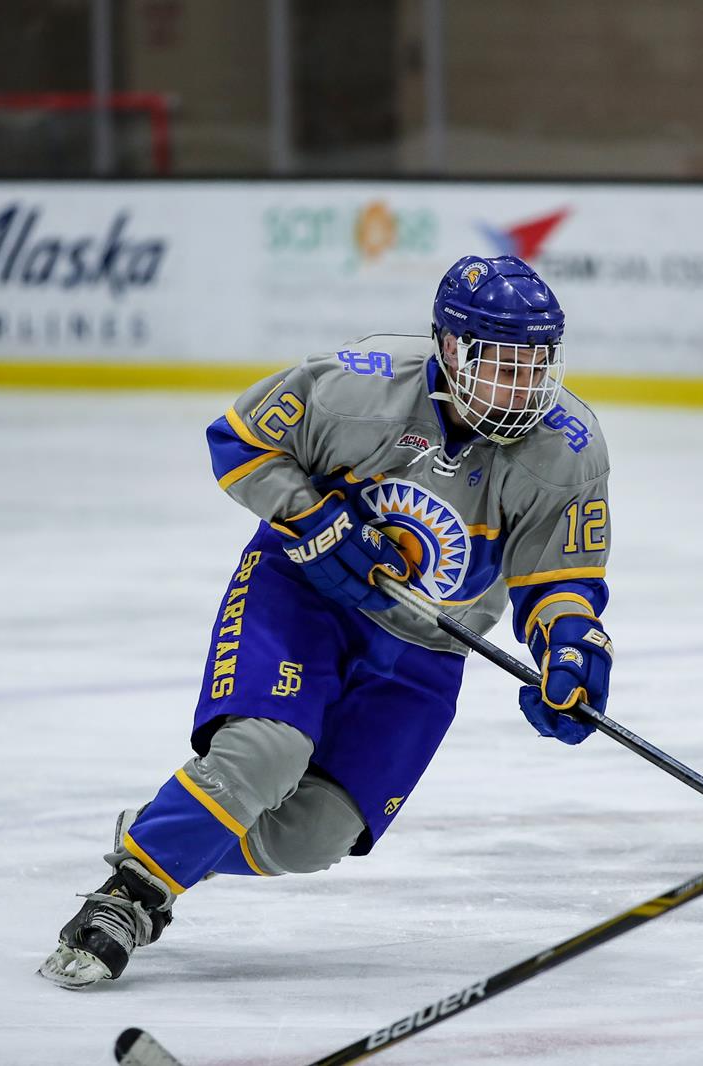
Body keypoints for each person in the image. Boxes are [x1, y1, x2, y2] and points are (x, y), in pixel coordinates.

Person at [39, 255, 614, 988]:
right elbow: (239, 439)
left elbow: (560, 580)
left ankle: (166, 836)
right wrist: (312, 518)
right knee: (266, 752)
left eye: (537, 364)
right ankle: (131, 896)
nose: (523, 385)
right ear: (448, 348)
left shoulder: (568, 447)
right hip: (303, 595)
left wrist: (569, 652)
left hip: (427, 649)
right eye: (502, 364)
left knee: (314, 836)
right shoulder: (360, 387)